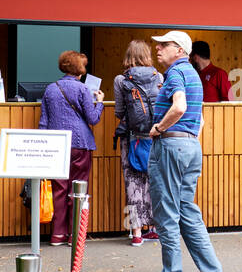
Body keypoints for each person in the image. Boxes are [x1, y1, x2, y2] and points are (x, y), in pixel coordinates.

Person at [145, 30, 224, 272]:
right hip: (191, 146)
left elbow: (178, 106)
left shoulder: (176, 72)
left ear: (180, 50)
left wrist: (159, 128)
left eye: (164, 45)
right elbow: (198, 118)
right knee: (186, 209)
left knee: (166, 210)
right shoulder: (194, 75)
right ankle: (211, 270)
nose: (157, 49)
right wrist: (187, 138)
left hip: (170, 145)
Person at [38, 50, 103, 246]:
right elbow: (92, 118)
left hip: (57, 144)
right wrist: (99, 102)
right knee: (78, 189)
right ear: (80, 69)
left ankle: (57, 235)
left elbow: (44, 122)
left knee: (59, 189)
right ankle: (75, 235)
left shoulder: (50, 89)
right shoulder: (83, 90)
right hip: (80, 144)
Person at [113, 40, 163, 246]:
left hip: (131, 138)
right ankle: (153, 228)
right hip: (154, 136)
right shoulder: (158, 76)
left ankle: (136, 233)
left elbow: (118, 112)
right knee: (153, 181)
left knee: (133, 183)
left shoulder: (121, 80)